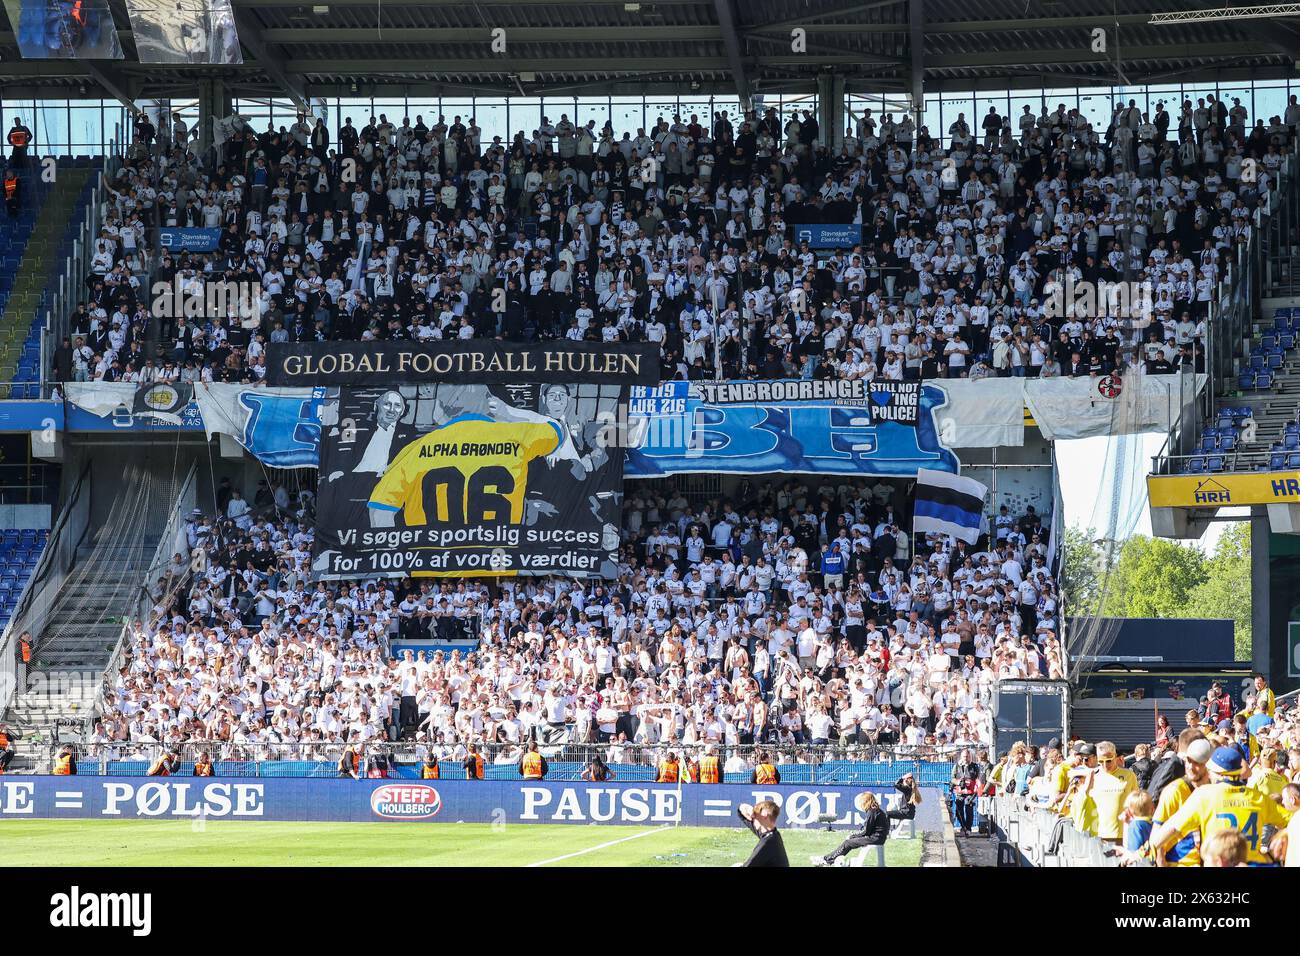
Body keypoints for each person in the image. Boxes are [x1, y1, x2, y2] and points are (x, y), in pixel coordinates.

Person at [1144, 747, 1289, 866]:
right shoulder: (1258, 797)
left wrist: (1144, 853)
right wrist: (1282, 836)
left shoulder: (1204, 795)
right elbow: (1292, 819)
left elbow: (1172, 828)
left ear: (1216, 772)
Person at [816, 791, 889, 866]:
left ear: (866, 801)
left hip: (875, 839)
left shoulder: (872, 811)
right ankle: (827, 858)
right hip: (878, 838)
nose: (861, 804)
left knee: (848, 842)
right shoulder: (876, 810)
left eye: (862, 801)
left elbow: (866, 831)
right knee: (849, 842)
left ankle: (827, 860)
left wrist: (852, 836)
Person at [738, 799, 789, 867]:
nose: (752, 817)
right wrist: (743, 806)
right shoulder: (773, 834)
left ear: (764, 815)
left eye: (755, 814)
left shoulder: (768, 842)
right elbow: (742, 815)